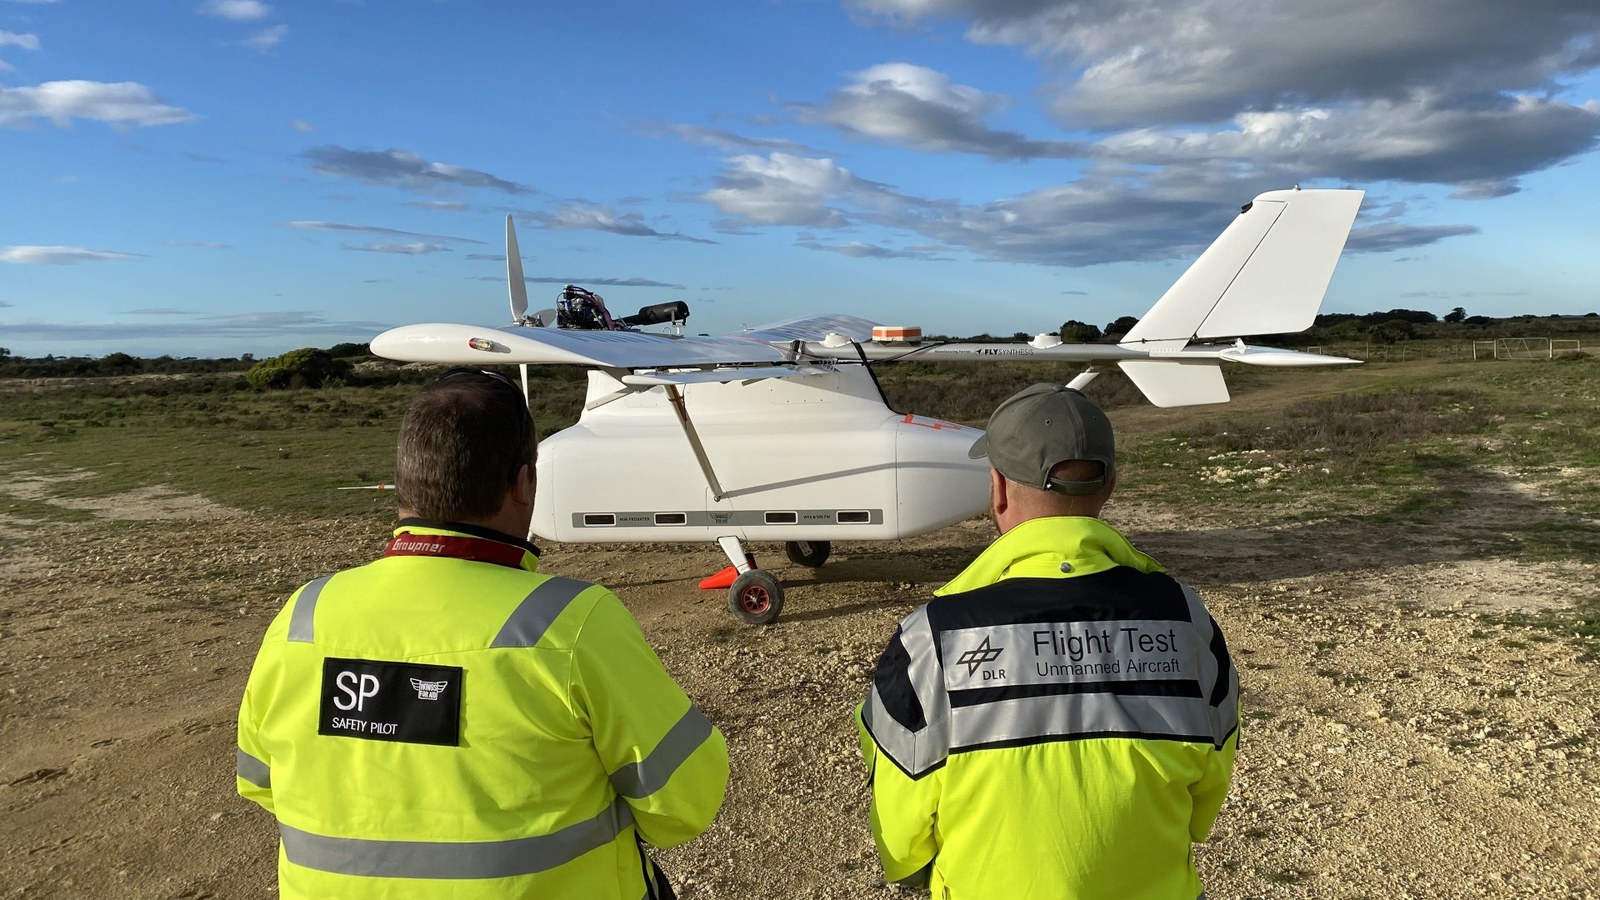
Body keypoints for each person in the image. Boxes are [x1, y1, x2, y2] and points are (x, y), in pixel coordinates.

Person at [236, 368, 728, 899]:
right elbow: (684, 805)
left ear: (404, 484)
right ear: (524, 483)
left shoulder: (303, 614)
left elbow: (259, 781)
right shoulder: (570, 623)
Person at [857, 383, 1239, 899]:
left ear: (996, 488)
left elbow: (900, 791)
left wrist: (908, 865)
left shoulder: (932, 637)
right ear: (1109, 486)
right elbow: (1209, 776)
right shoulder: (1185, 618)